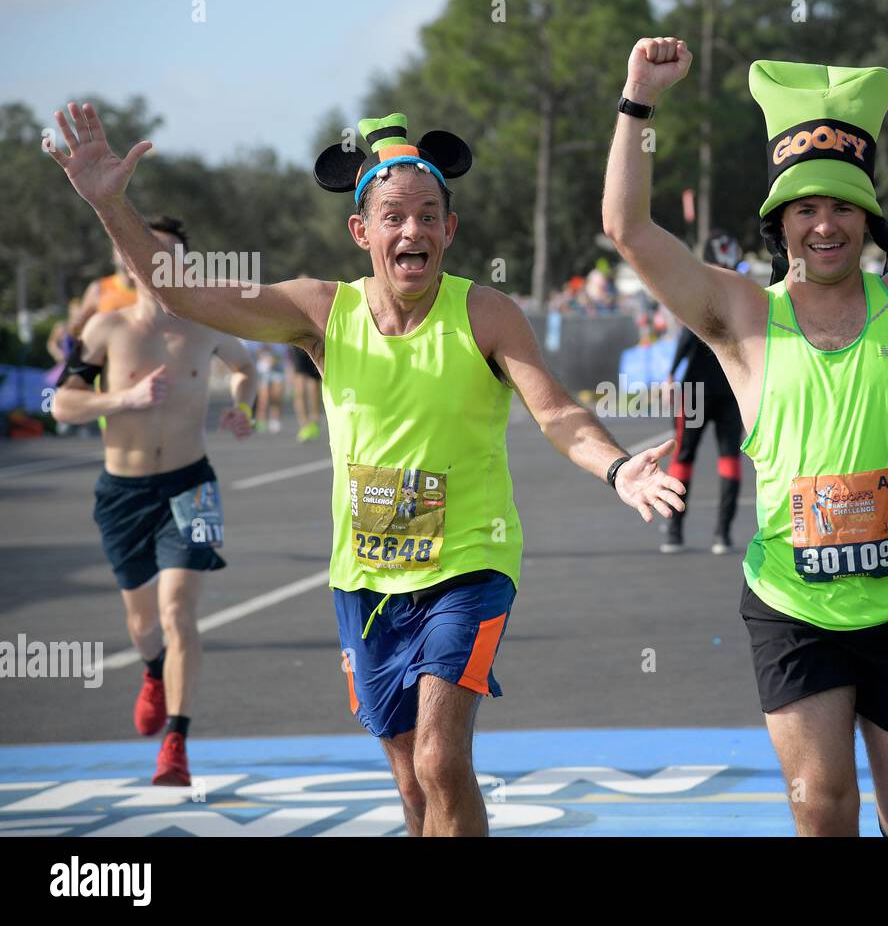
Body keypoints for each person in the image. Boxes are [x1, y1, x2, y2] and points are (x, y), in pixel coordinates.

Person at [49, 104, 684, 835]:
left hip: (470, 565)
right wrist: (111, 203)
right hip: (365, 579)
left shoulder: (487, 314)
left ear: (450, 228)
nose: (411, 230)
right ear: (363, 231)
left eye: (426, 215)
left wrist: (616, 468)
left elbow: (557, 412)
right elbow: (180, 291)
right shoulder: (321, 310)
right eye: (393, 216)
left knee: (443, 763)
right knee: (414, 789)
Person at [603, 38, 888, 836]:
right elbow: (627, 227)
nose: (825, 225)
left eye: (842, 207)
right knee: (822, 809)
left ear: (867, 217)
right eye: (805, 209)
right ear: (778, 222)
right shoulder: (743, 316)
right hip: (794, 606)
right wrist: (638, 98)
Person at [50, 214, 257, 786]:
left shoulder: (205, 324)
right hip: (122, 493)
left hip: (193, 486)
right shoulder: (105, 330)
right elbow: (62, 405)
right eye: (146, 255)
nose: (156, 265)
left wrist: (245, 404)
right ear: (128, 263)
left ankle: (176, 744)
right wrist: (125, 398)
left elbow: (244, 369)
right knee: (142, 621)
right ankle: (151, 671)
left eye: (168, 257)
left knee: (177, 613)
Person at [660, 230, 745, 555]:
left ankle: (675, 532)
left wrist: (671, 372)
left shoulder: (700, 291)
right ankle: (721, 535)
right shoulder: (741, 293)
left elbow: (687, 336)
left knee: (683, 457)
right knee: (728, 459)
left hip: (696, 388)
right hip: (729, 388)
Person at [254, 343, 287, 433]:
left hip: (278, 370)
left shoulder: (280, 341)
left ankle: (275, 420)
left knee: (276, 396)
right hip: (264, 370)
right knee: (264, 398)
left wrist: (275, 360)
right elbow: (255, 350)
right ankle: (261, 420)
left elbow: (284, 354)